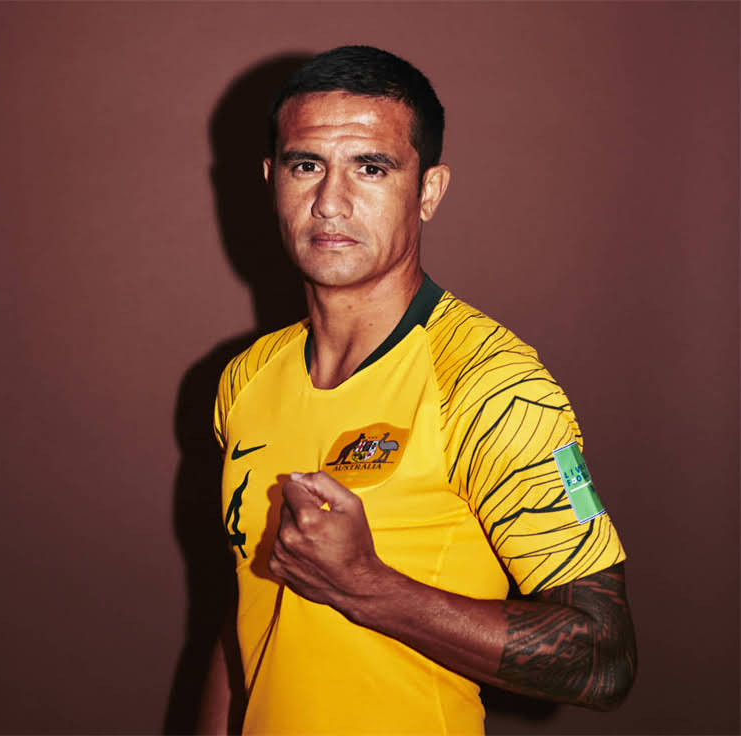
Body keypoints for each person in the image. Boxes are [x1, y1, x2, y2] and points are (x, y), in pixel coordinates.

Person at [200, 45, 636, 735]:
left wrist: (368, 587)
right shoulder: (245, 379)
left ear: (428, 191)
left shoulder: (493, 385)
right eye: (305, 165)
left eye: (370, 168)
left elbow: (604, 657)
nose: (330, 202)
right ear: (270, 180)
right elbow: (248, 616)